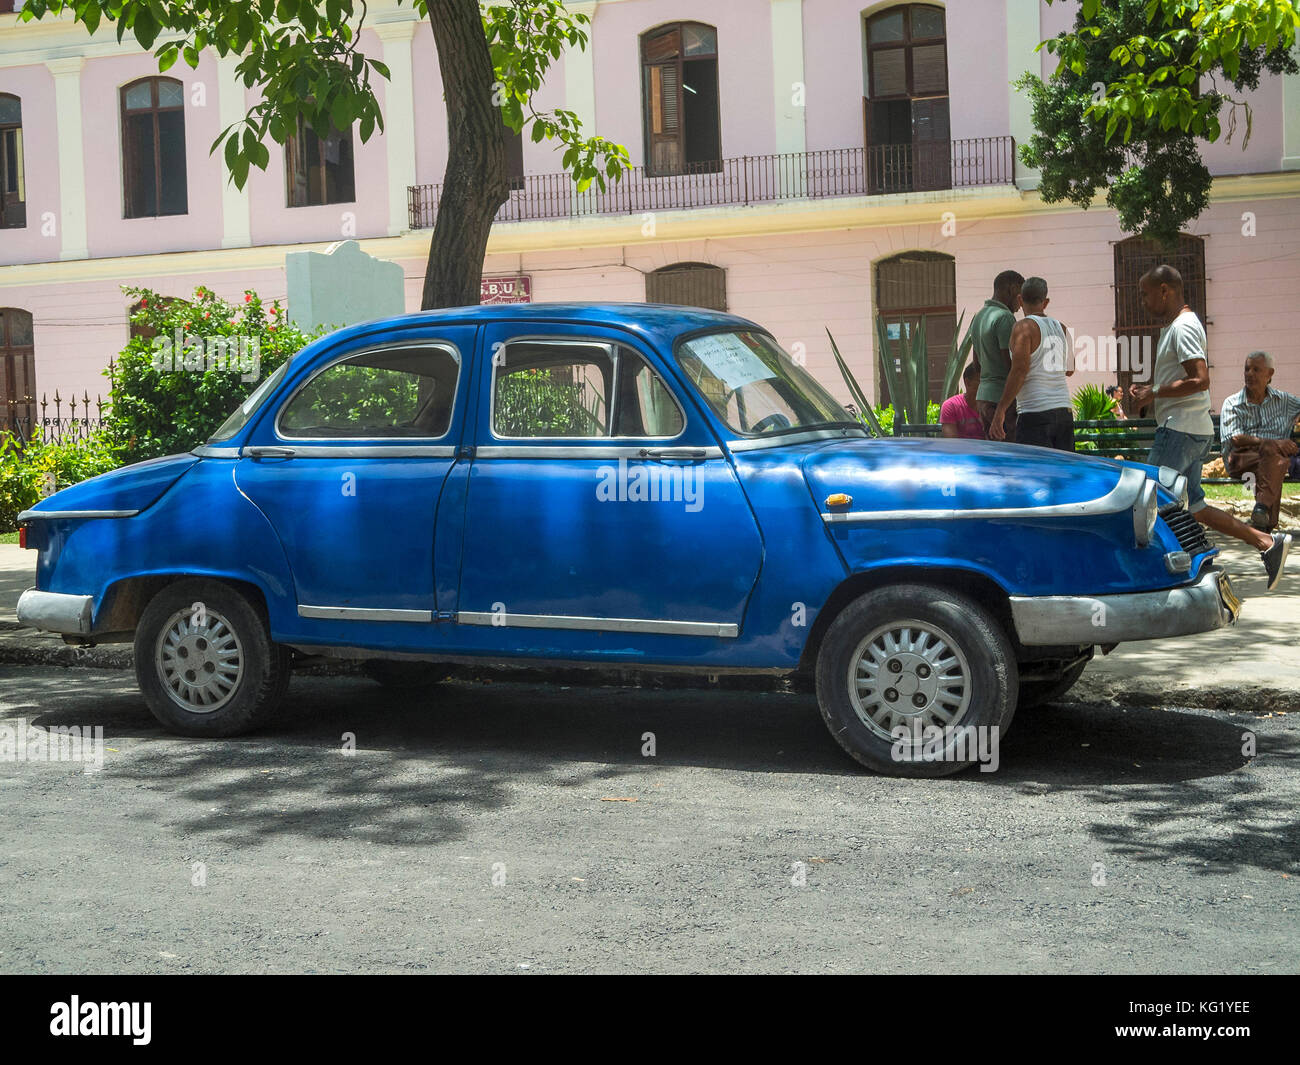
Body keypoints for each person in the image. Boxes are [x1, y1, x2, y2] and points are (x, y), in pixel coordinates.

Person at [1130, 265, 1290, 590]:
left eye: (1146, 294)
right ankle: (1266, 543)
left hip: (1180, 430)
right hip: (1190, 428)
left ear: (1165, 290)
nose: (1143, 302)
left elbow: (1200, 379)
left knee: (1146, 497)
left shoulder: (1184, 326)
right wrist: (1152, 391)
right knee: (1196, 506)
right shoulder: (1177, 327)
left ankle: (1163, 573)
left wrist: (1156, 391)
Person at [989, 276, 1074, 451]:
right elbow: (1070, 369)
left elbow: (1019, 371)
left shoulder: (1023, 328)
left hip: (1035, 413)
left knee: (1035, 475)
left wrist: (1001, 410)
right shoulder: (1062, 328)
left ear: (1020, 299)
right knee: (1062, 474)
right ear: (1046, 302)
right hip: (1064, 411)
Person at [1218, 351, 1300, 531]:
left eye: (1256, 369)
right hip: (1240, 460)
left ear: (1269, 374)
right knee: (1274, 453)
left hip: (1273, 461)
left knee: (1275, 459)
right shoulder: (1232, 403)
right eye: (1247, 369)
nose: (1249, 374)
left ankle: (1263, 518)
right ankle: (1266, 520)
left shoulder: (1284, 400)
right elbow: (1236, 438)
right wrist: (1274, 443)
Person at [972, 270, 1024, 442]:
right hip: (1003, 401)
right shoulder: (1005, 318)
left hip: (983, 398)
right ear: (1011, 289)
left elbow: (976, 365)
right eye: (1019, 295)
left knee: (994, 458)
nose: (1020, 304)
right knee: (1012, 458)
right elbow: (1012, 366)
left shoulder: (979, 316)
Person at [940, 361, 985, 439]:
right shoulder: (951, 406)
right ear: (968, 382)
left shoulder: (994, 406)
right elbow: (952, 442)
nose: (986, 386)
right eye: (982, 381)